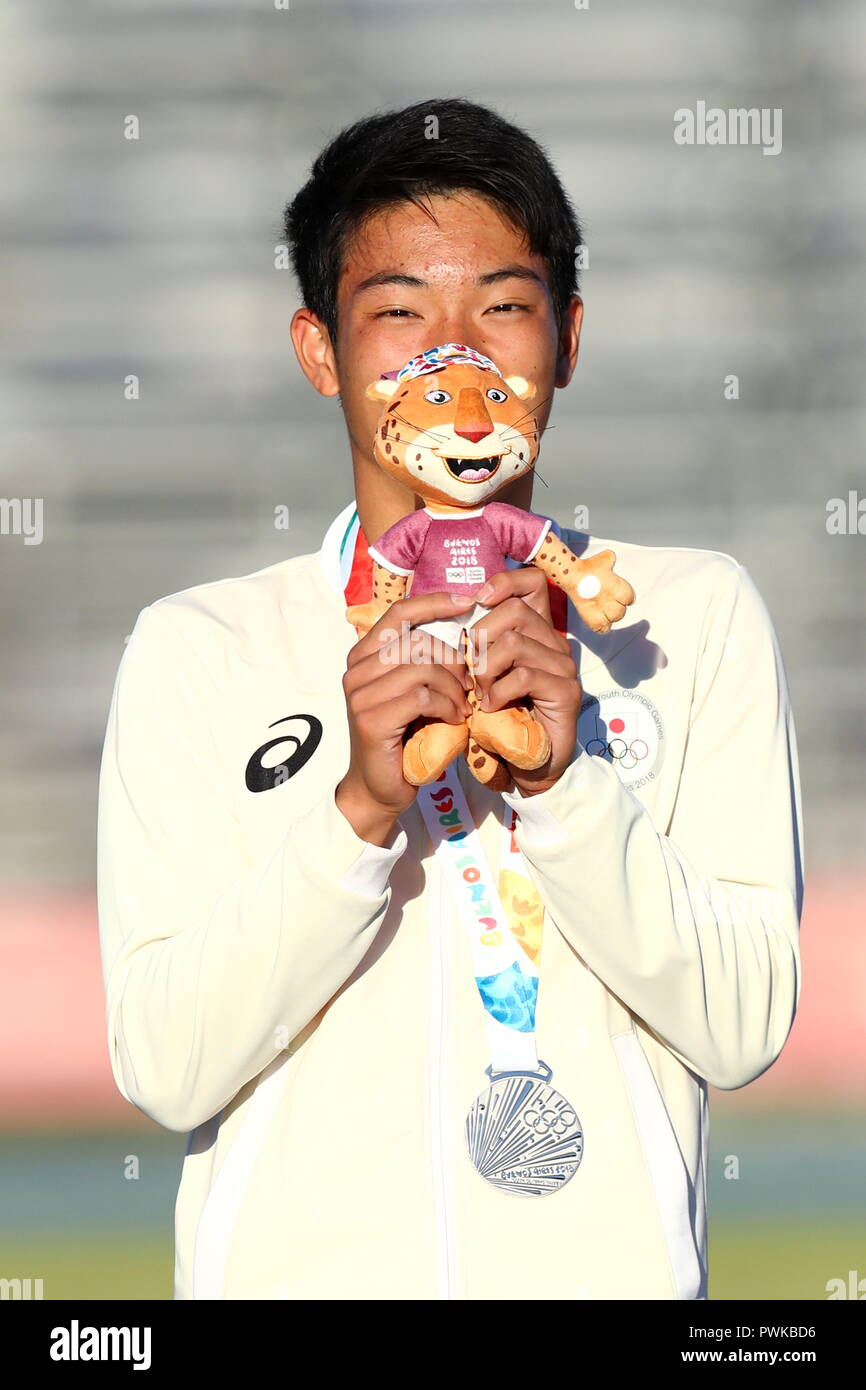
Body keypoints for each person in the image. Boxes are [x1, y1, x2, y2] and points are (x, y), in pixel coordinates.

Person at [96, 97, 805, 1300]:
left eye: (503, 306)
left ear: (566, 338)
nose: (453, 354)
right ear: (320, 349)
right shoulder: (198, 647)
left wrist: (570, 788)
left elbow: (741, 1024)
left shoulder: (683, 619)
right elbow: (165, 1063)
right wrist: (358, 814)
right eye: (399, 312)